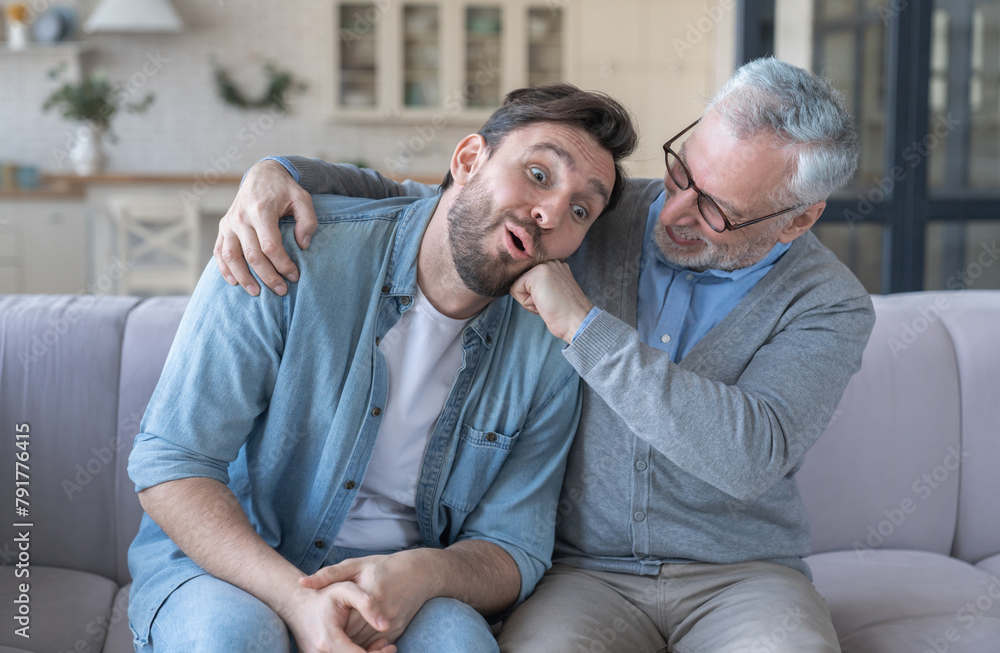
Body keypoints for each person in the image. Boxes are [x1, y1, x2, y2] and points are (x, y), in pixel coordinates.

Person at [215, 58, 876, 652]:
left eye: (717, 212)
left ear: (797, 219)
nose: (673, 211)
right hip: (581, 571)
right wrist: (283, 173)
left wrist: (581, 324)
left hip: (744, 576)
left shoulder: (829, 304)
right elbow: (447, 206)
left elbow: (747, 454)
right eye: (681, 172)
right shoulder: (593, 209)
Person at [126, 84, 638, 653]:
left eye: (580, 210)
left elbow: (513, 546)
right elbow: (173, 462)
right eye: (540, 174)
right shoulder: (288, 252)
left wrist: (423, 575)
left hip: (402, 588)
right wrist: (298, 600)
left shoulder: (551, 349)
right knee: (232, 640)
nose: (549, 213)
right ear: (469, 161)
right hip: (234, 564)